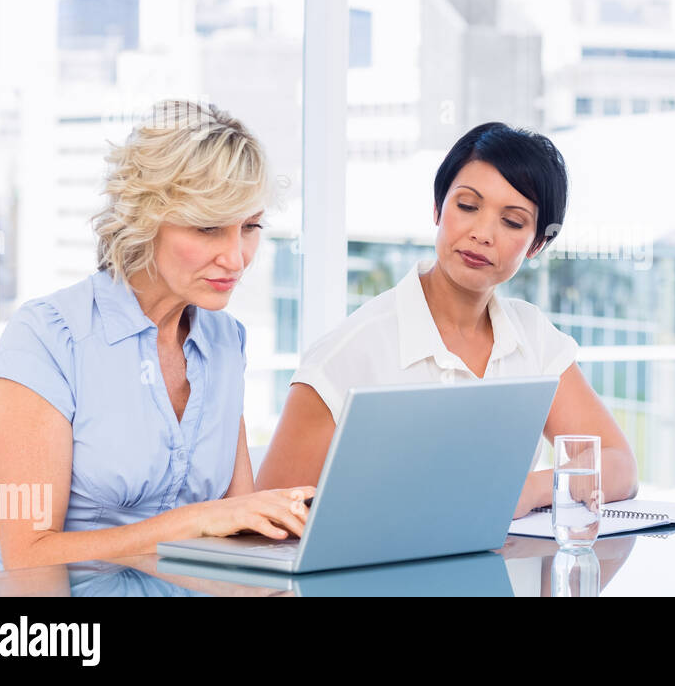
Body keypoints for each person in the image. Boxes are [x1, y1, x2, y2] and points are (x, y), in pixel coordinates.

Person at [0, 101, 315, 572]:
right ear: (145, 219)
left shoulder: (224, 339)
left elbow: (239, 527)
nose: (237, 258)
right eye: (208, 228)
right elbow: (26, 554)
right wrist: (196, 521)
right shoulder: (46, 337)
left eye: (250, 227)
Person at [257, 122, 638, 517]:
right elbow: (265, 520)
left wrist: (527, 490)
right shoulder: (350, 352)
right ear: (438, 209)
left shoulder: (532, 336)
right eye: (468, 206)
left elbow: (618, 466)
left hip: (502, 572)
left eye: (512, 221)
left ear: (536, 244)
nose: (482, 233)